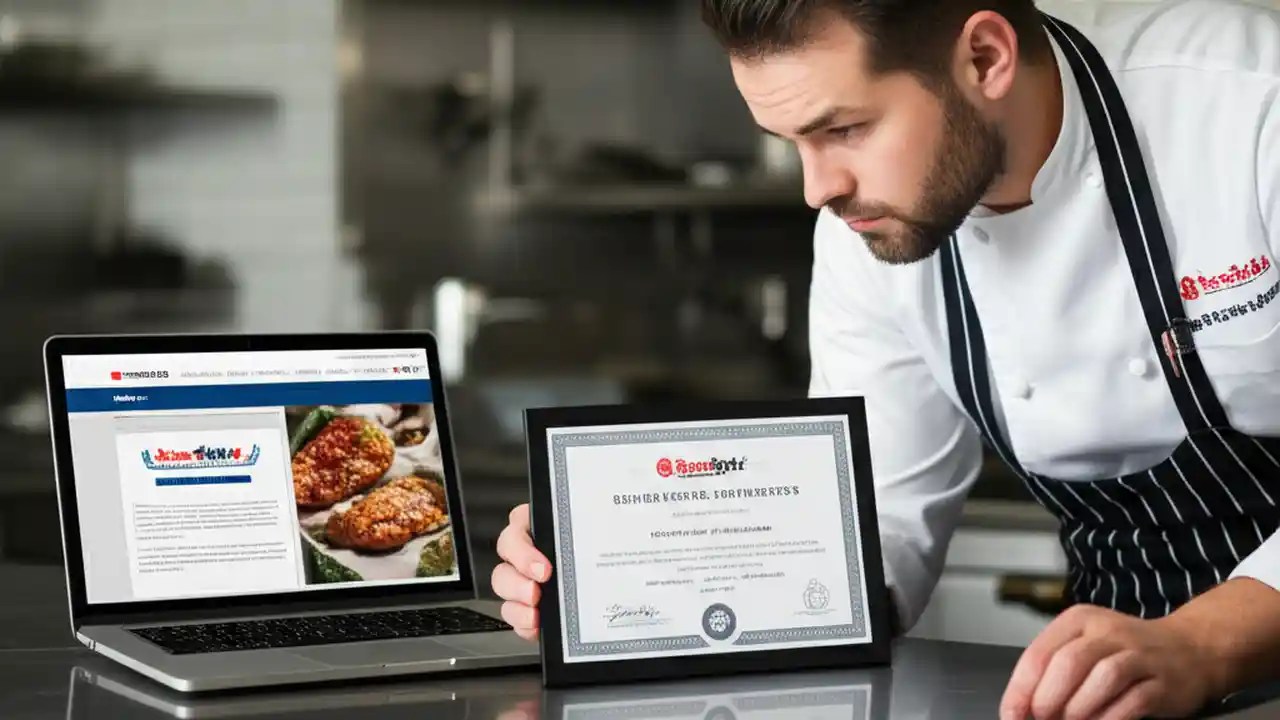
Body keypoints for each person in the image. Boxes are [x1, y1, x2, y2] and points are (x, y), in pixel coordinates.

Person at [490, 0, 1280, 717]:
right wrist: (630, 583)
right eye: (790, 143)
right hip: (1107, 685)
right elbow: (877, 522)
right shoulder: (862, 231)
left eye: (844, 129)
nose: (817, 189)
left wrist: (1203, 644)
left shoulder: (1250, 104)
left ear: (984, 60)